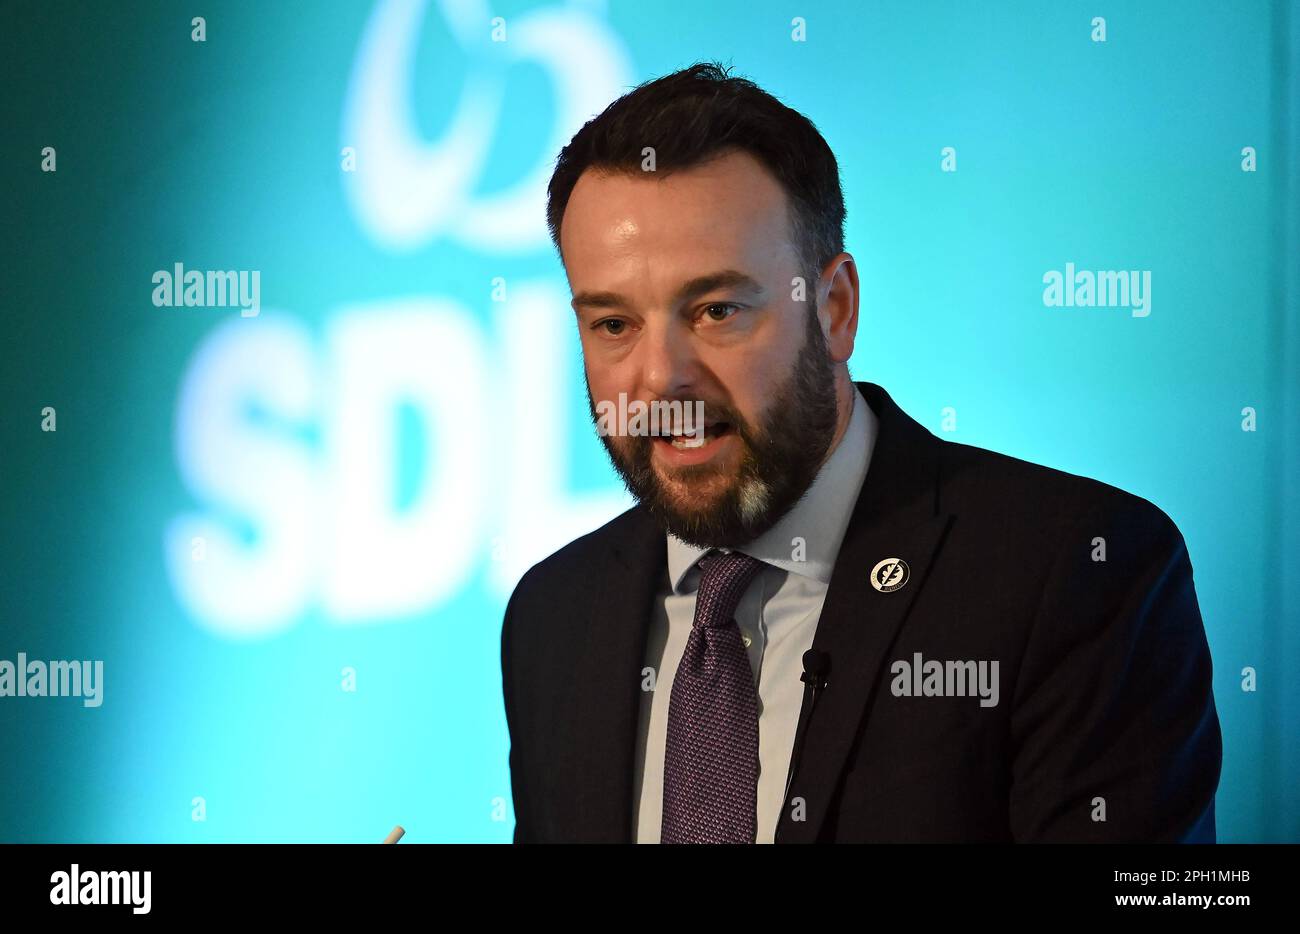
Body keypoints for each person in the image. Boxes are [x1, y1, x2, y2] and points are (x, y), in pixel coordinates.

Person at [500, 62, 1221, 843]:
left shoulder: (1078, 570)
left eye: (716, 309)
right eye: (613, 324)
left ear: (835, 308)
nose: (659, 377)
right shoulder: (553, 618)